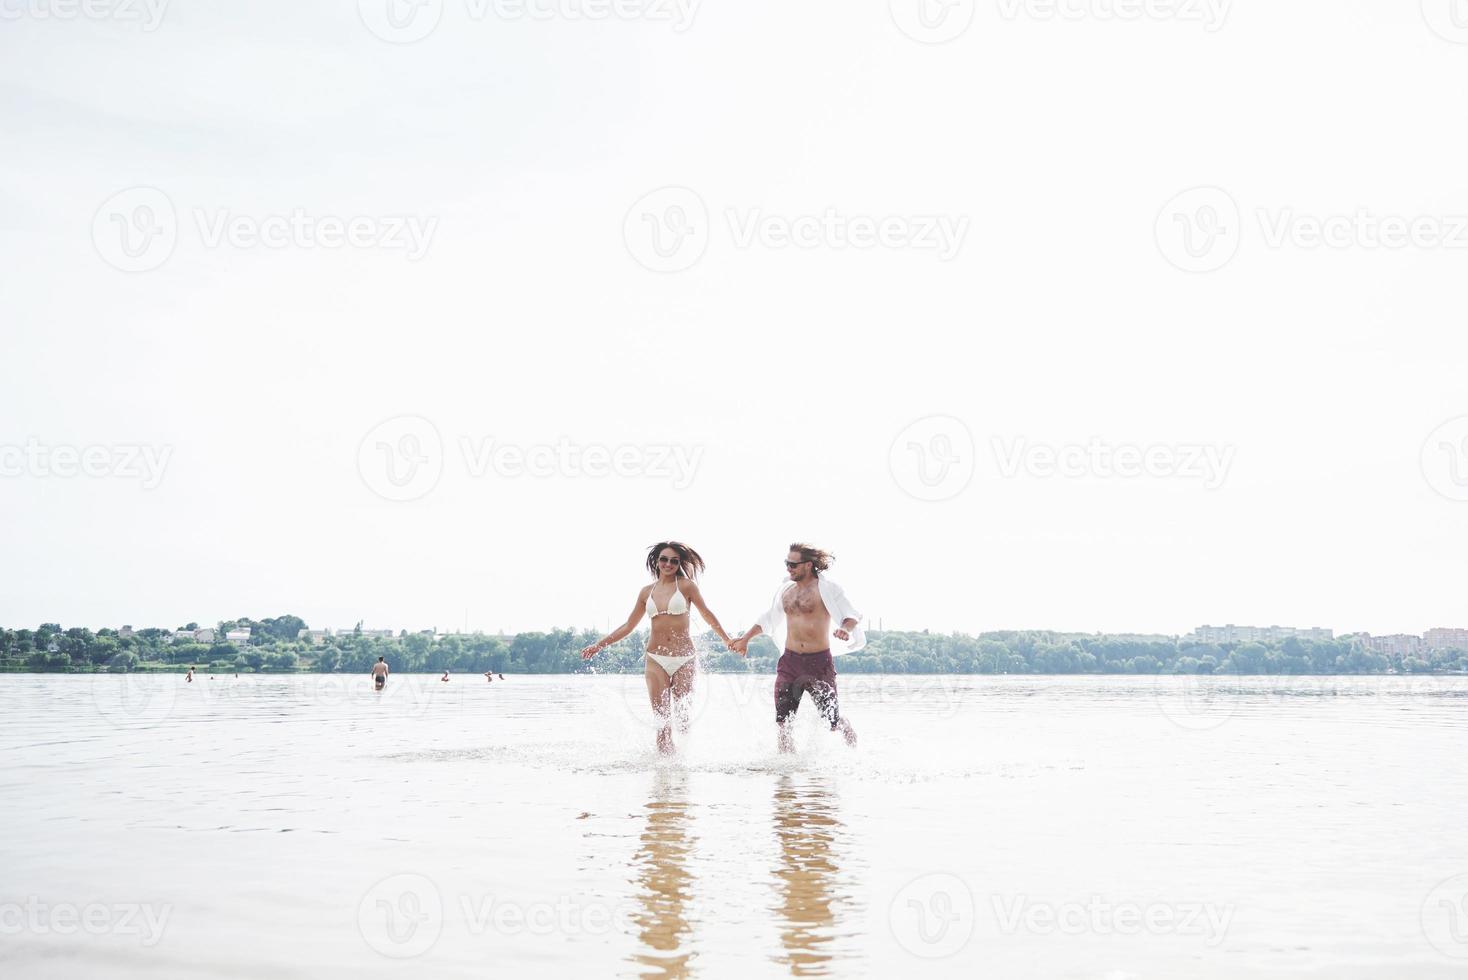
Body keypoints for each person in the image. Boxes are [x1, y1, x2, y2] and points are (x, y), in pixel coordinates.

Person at [581, 541, 735, 754]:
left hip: (685, 658)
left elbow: (707, 614)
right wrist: (599, 645)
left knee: (682, 719)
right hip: (656, 658)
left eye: (674, 561)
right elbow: (628, 625)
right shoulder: (646, 592)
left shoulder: (687, 586)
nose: (668, 564)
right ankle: (663, 777)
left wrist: (726, 639)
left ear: (679, 563)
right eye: (664, 559)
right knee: (662, 721)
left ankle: (683, 771)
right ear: (656, 561)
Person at [730, 543, 864, 753]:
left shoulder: (827, 589)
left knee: (832, 721)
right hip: (790, 662)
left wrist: (846, 630)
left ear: (808, 565)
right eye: (786, 563)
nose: (788, 568)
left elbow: (851, 614)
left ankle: (856, 751)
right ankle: (786, 775)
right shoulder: (786, 590)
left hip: (818, 663)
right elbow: (768, 619)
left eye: (793, 564)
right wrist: (746, 638)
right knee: (783, 722)